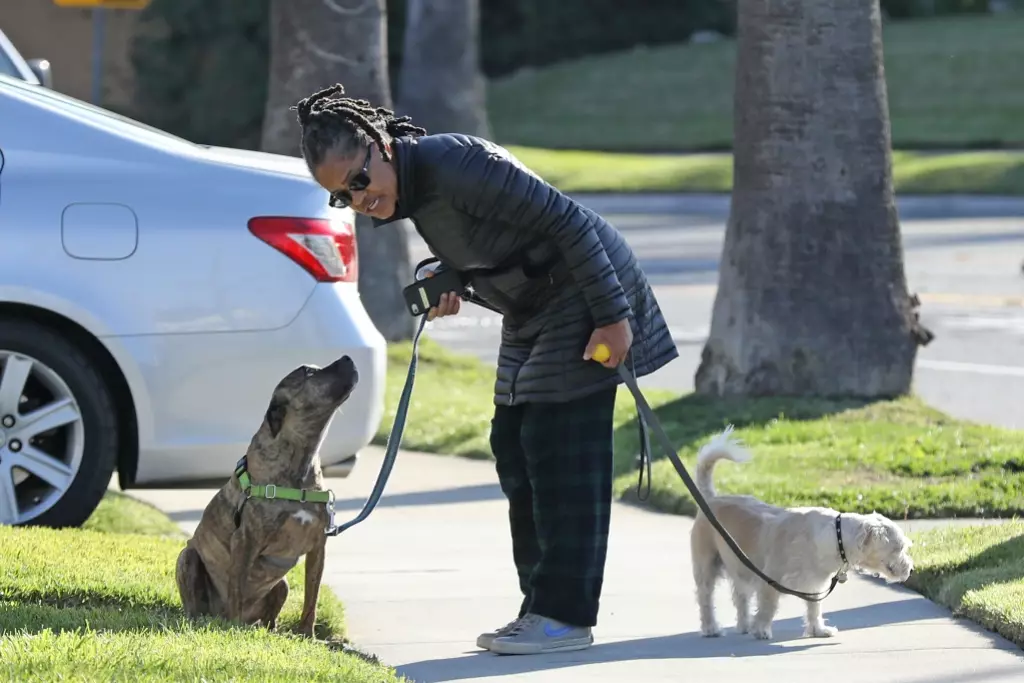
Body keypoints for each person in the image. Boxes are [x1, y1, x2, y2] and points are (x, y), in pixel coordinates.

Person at [293, 83, 678, 656]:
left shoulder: (458, 163)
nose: (359, 199)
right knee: (514, 443)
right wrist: (452, 281)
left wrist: (614, 318)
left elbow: (568, 224)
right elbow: (496, 247)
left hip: (586, 294)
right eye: (342, 197)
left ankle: (565, 617)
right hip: (533, 309)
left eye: (358, 180)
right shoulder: (416, 193)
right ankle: (541, 608)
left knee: (560, 445)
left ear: (381, 145)